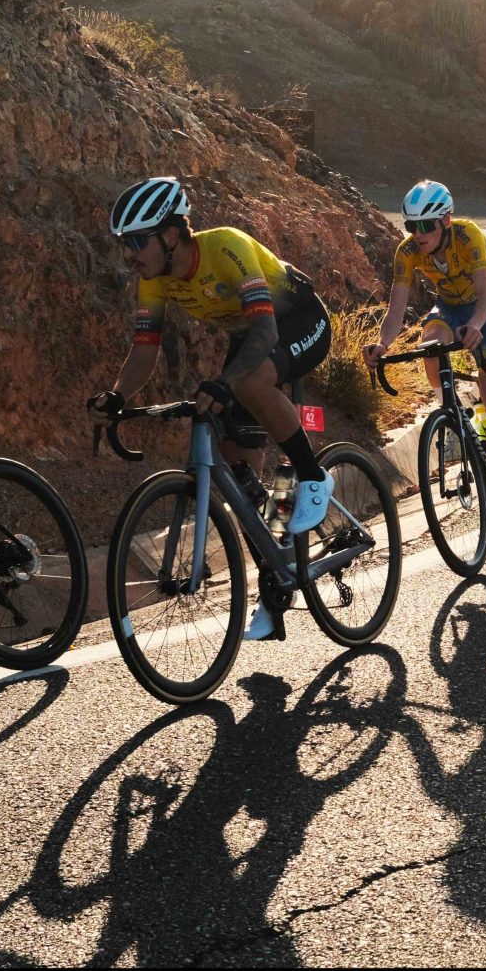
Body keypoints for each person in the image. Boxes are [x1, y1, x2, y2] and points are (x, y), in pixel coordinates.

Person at [91, 176, 334, 642]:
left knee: (251, 382)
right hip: (252, 339)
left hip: (298, 321)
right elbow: (144, 352)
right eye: (125, 244)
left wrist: (225, 383)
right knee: (239, 466)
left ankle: (313, 475)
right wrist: (118, 395)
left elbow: (265, 334)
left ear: (170, 235)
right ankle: (276, 574)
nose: (129, 253)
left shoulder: (225, 247)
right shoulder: (155, 280)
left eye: (137, 241)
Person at [364, 181, 486, 528]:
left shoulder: (468, 235)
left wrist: (476, 325)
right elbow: (395, 310)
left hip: (484, 308)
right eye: (411, 226)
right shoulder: (407, 251)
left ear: (445, 220)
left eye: (425, 225)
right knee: (429, 341)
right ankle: (452, 415)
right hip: (447, 308)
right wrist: (382, 345)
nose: (417, 233)